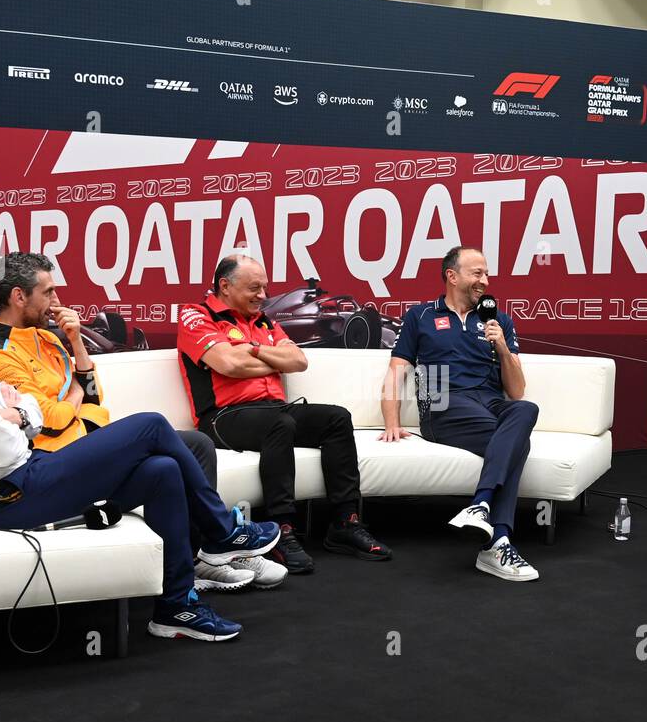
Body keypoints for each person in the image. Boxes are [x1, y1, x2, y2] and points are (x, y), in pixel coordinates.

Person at [0, 253, 279, 642]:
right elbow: (6, 445)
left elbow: (28, 414)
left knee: (162, 471)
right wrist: (15, 418)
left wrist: (16, 414)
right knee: (152, 426)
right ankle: (222, 533)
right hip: (5, 497)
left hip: (29, 470)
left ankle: (176, 607)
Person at [0, 252, 285, 592]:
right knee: (156, 428)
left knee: (194, 447)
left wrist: (76, 341)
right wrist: (74, 398)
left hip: (87, 443)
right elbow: (49, 420)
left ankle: (202, 556)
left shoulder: (50, 338)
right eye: (48, 291)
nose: (57, 300)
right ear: (19, 296)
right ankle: (220, 538)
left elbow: (93, 395)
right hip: (56, 461)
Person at [177, 253, 392, 574]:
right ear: (225, 286)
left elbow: (298, 360)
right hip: (222, 418)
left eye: (264, 287)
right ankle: (282, 530)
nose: (263, 295)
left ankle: (345, 523)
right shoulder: (196, 315)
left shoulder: (264, 322)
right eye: (254, 288)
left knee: (336, 418)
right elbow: (227, 364)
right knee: (280, 424)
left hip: (274, 410)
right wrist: (267, 357)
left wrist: (251, 349)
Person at [379, 246, 540, 582]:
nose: (485, 280)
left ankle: (480, 507)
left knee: (526, 410)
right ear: (452, 276)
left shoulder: (499, 320)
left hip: (489, 400)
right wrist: (391, 422)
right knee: (518, 444)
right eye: (476, 273)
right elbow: (397, 370)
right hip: (441, 399)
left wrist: (502, 347)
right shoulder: (420, 316)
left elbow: (517, 391)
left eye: (486, 273)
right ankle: (499, 541)